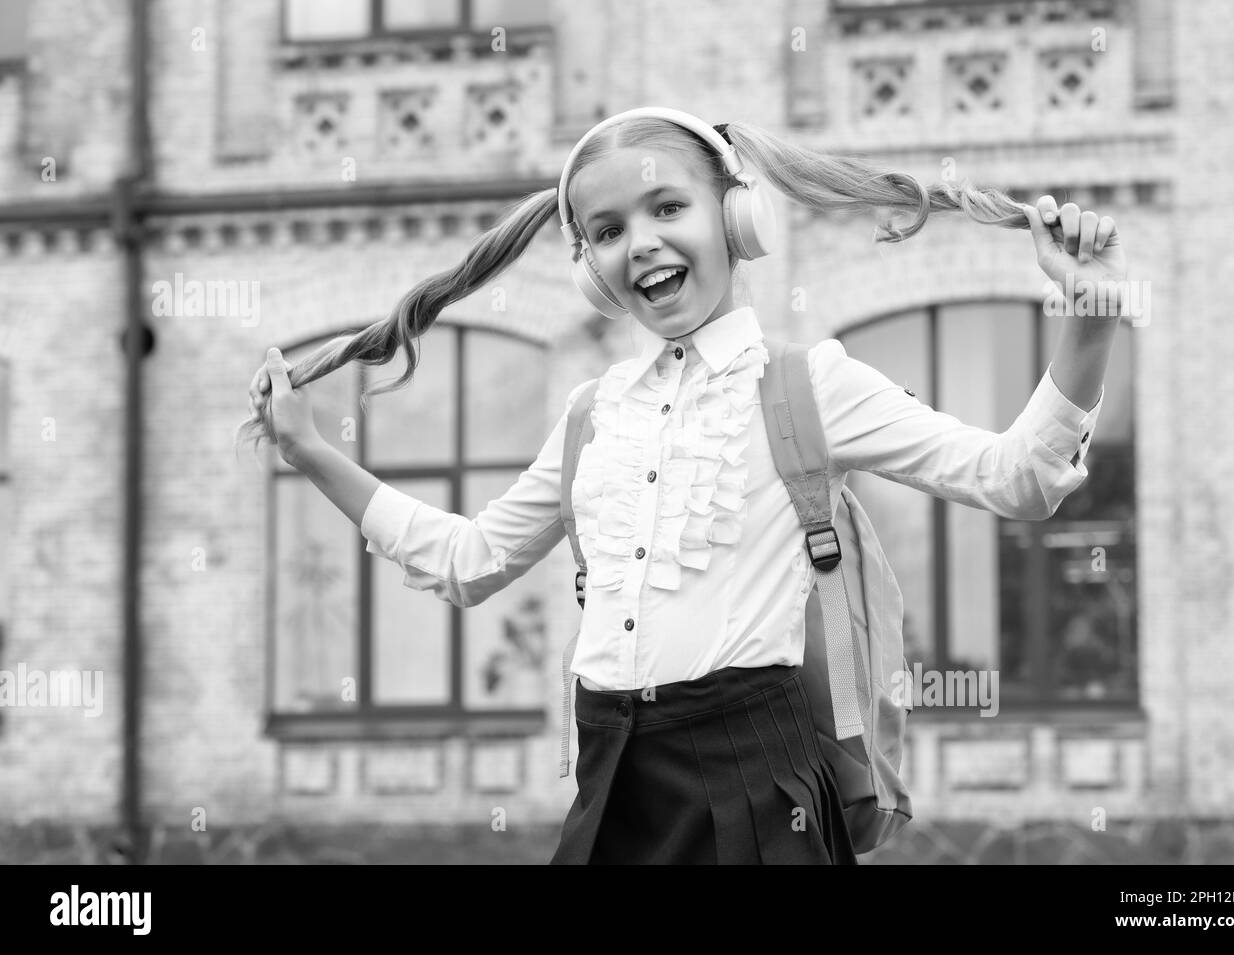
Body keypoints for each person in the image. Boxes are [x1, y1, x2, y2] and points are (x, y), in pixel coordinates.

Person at [236, 107, 1127, 865]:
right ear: (589, 266)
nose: (644, 245)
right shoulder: (594, 413)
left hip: (753, 784)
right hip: (611, 776)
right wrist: (312, 453)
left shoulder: (807, 382)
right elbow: (470, 560)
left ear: (736, 219)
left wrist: (1089, 319)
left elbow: (1019, 479)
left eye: (669, 206)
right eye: (611, 230)